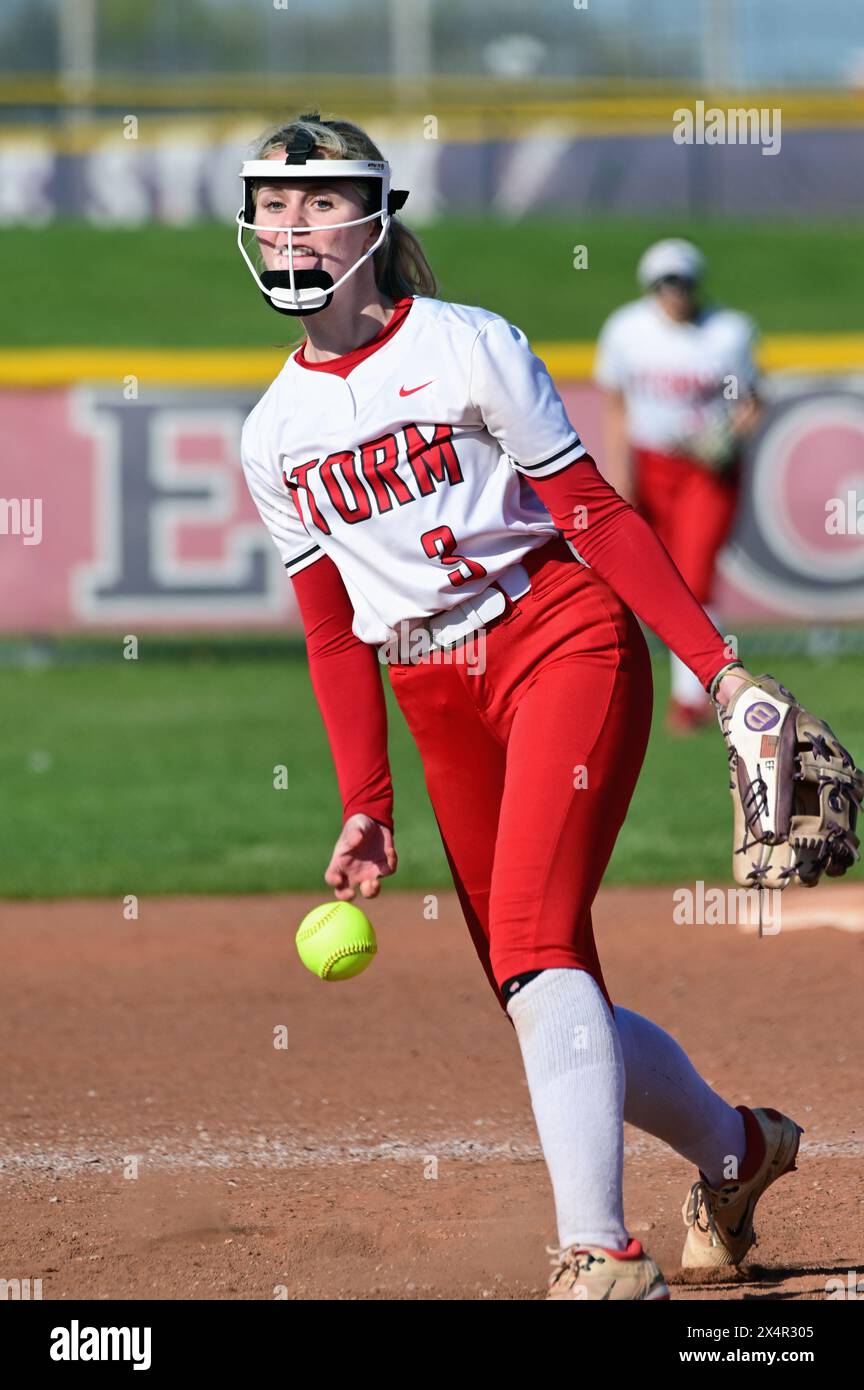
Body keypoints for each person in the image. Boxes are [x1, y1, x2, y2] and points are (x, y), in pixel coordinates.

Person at [236, 113, 802, 1300]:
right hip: (429, 688)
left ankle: (602, 1252)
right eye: (273, 204)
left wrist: (720, 668)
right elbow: (334, 630)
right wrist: (365, 800)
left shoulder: (467, 345)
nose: (293, 226)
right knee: (541, 987)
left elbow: (594, 512)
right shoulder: (273, 431)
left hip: (557, 637)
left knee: (539, 949)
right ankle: (738, 1152)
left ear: (375, 218)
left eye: (321, 201)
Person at [594, 239, 761, 734]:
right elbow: (616, 405)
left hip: (705, 470)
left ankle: (693, 697)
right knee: (647, 576)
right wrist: (620, 470)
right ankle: (632, 685)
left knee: (694, 575)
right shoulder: (627, 329)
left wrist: (730, 434)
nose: (675, 293)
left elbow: (752, 400)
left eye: (683, 282)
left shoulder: (727, 332)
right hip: (651, 463)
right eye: (666, 283)